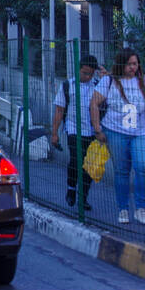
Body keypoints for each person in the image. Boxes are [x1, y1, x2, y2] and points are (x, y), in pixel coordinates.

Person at [91, 48, 145, 225]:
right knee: (122, 171)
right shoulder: (109, 81)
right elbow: (94, 103)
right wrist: (97, 129)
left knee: (143, 167)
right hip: (115, 131)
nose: (132, 67)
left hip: (141, 131)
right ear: (121, 64)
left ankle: (141, 208)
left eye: (135, 64)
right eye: (129, 64)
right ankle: (123, 209)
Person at [52, 56, 102, 211]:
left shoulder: (98, 86)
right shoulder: (67, 86)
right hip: (73, 129)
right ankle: (71, 189)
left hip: (92, 131)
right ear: (79, 69)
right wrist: (55, 133)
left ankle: (83, 197)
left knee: (90, 166)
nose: (87, 77)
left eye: (90, 74)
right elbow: (59, 110)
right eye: (85, 73)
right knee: (76, 160)